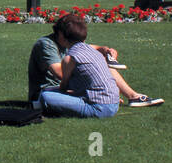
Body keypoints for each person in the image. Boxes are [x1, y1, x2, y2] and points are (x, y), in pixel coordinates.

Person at [29, 14, 162, 112]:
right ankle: (114, 96)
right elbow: (60, 73)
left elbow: (90, 48)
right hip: (52, 88)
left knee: (103, 65)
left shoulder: (71, 43)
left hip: (70, 89)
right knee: (46, 96)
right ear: (60, 34)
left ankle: (130, 96)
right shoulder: (46, 44)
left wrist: (105, 50)